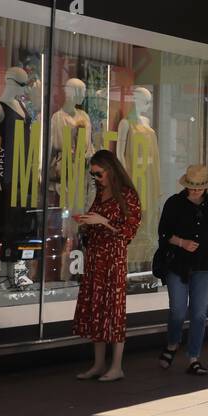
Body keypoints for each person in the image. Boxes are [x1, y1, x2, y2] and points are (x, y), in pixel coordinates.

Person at [73, 150, 142, 381]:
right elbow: (97, 224)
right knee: (96, 309)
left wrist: (103, 221)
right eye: (92, 174)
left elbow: (129, 230)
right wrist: (86, 223)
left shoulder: (128, 195)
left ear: (110, 170)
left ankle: (116, 366)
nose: (96, 178)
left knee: (114, 310)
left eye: (98, 174)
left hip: (113, 258)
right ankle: (99, 364)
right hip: (95, 256)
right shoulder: (101, 193)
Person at [157, 164, 208, 376]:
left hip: (203, 265)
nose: (195, 191)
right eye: (192, 187)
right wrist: (182, 242)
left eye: (199, 187)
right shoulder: (174, 203)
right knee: (178, 310)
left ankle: (194, 357)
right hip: (178, 263)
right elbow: (163, 233)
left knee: (199, 314)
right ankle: (173, 343)